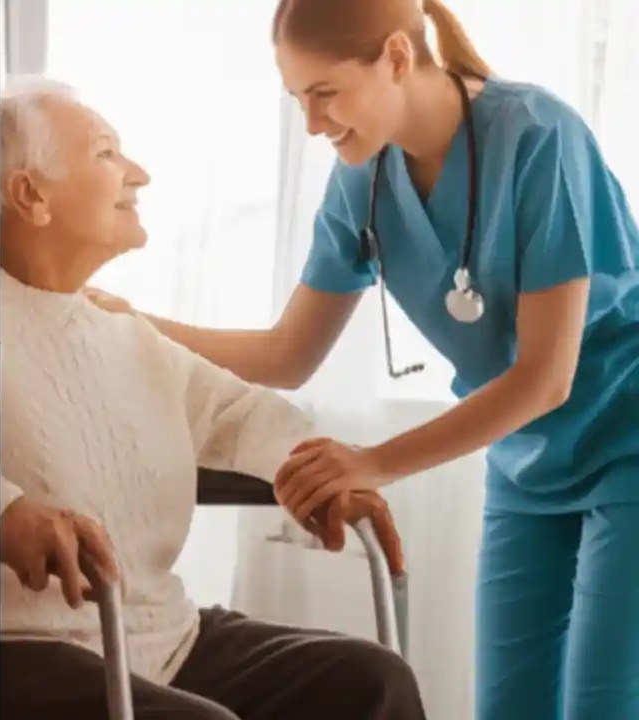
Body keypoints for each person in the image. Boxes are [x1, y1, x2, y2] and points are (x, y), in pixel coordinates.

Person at [89, 1, 639, 717]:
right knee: (507, 706)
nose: (313, 123)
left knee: (600, 703)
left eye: (325, 94)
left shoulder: (539, 137)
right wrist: (134, 324)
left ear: (398, 58)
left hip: (626, 439)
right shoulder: (362, 180)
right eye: (298, 100)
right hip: (526, 462)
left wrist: (373, 461)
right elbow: (288, 355)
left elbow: (546, 377)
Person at [0, 76, 424, 720]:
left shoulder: (125, 333)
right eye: (107, 154)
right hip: (20, 651)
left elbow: (240, 413)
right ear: (31, 195)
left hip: (167, 639)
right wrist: (4, 509)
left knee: (371, 680)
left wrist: (318, 472)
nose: (137, 174)